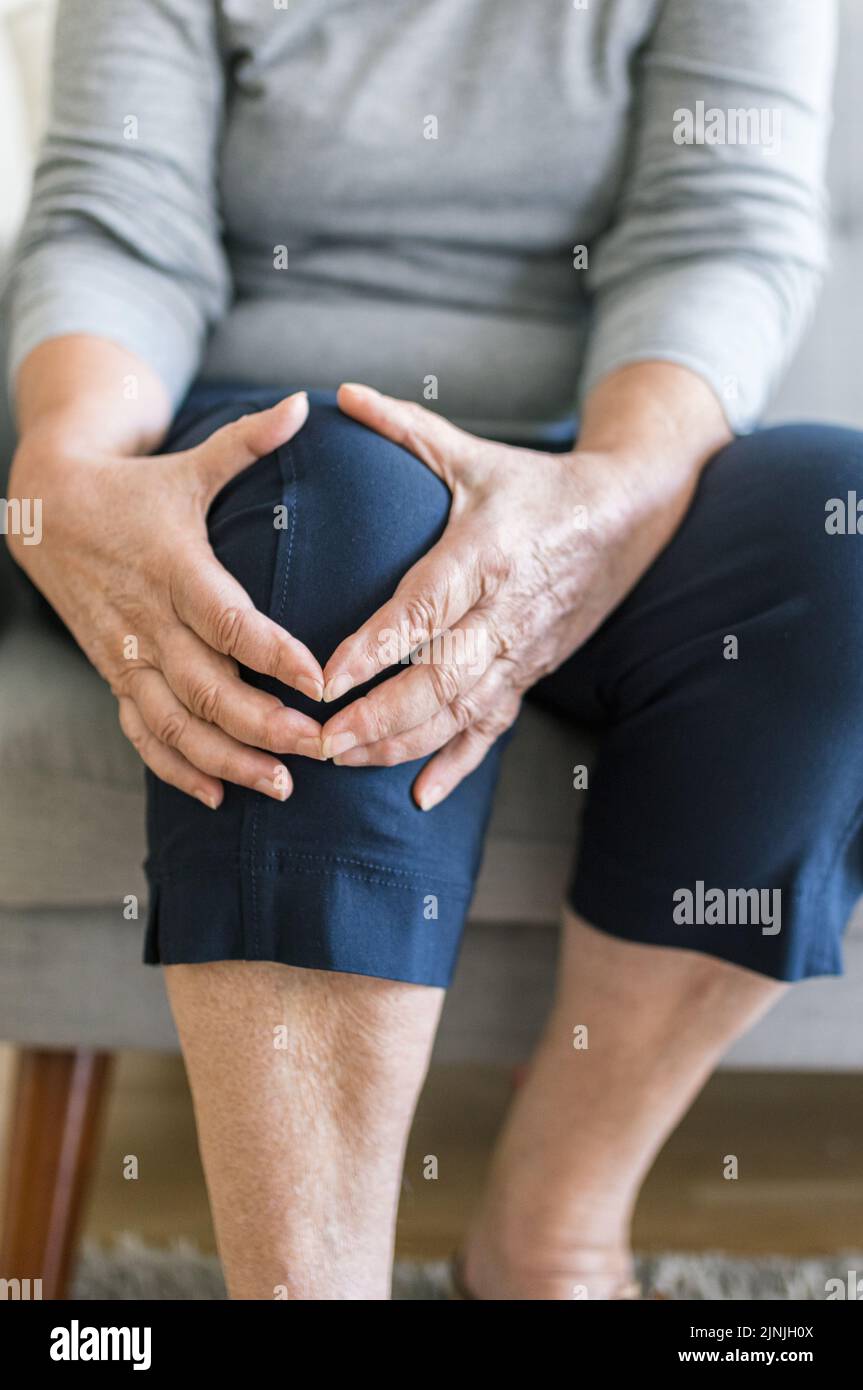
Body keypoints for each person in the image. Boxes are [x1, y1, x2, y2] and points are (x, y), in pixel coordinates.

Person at [6, 0, 853, 1300]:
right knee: (335, 505)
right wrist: (68, 466)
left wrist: (606, 495)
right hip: (270, 451)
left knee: (839, 553)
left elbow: (721, 226)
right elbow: (122, 217)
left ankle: (550, 1241)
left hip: (604, 453)